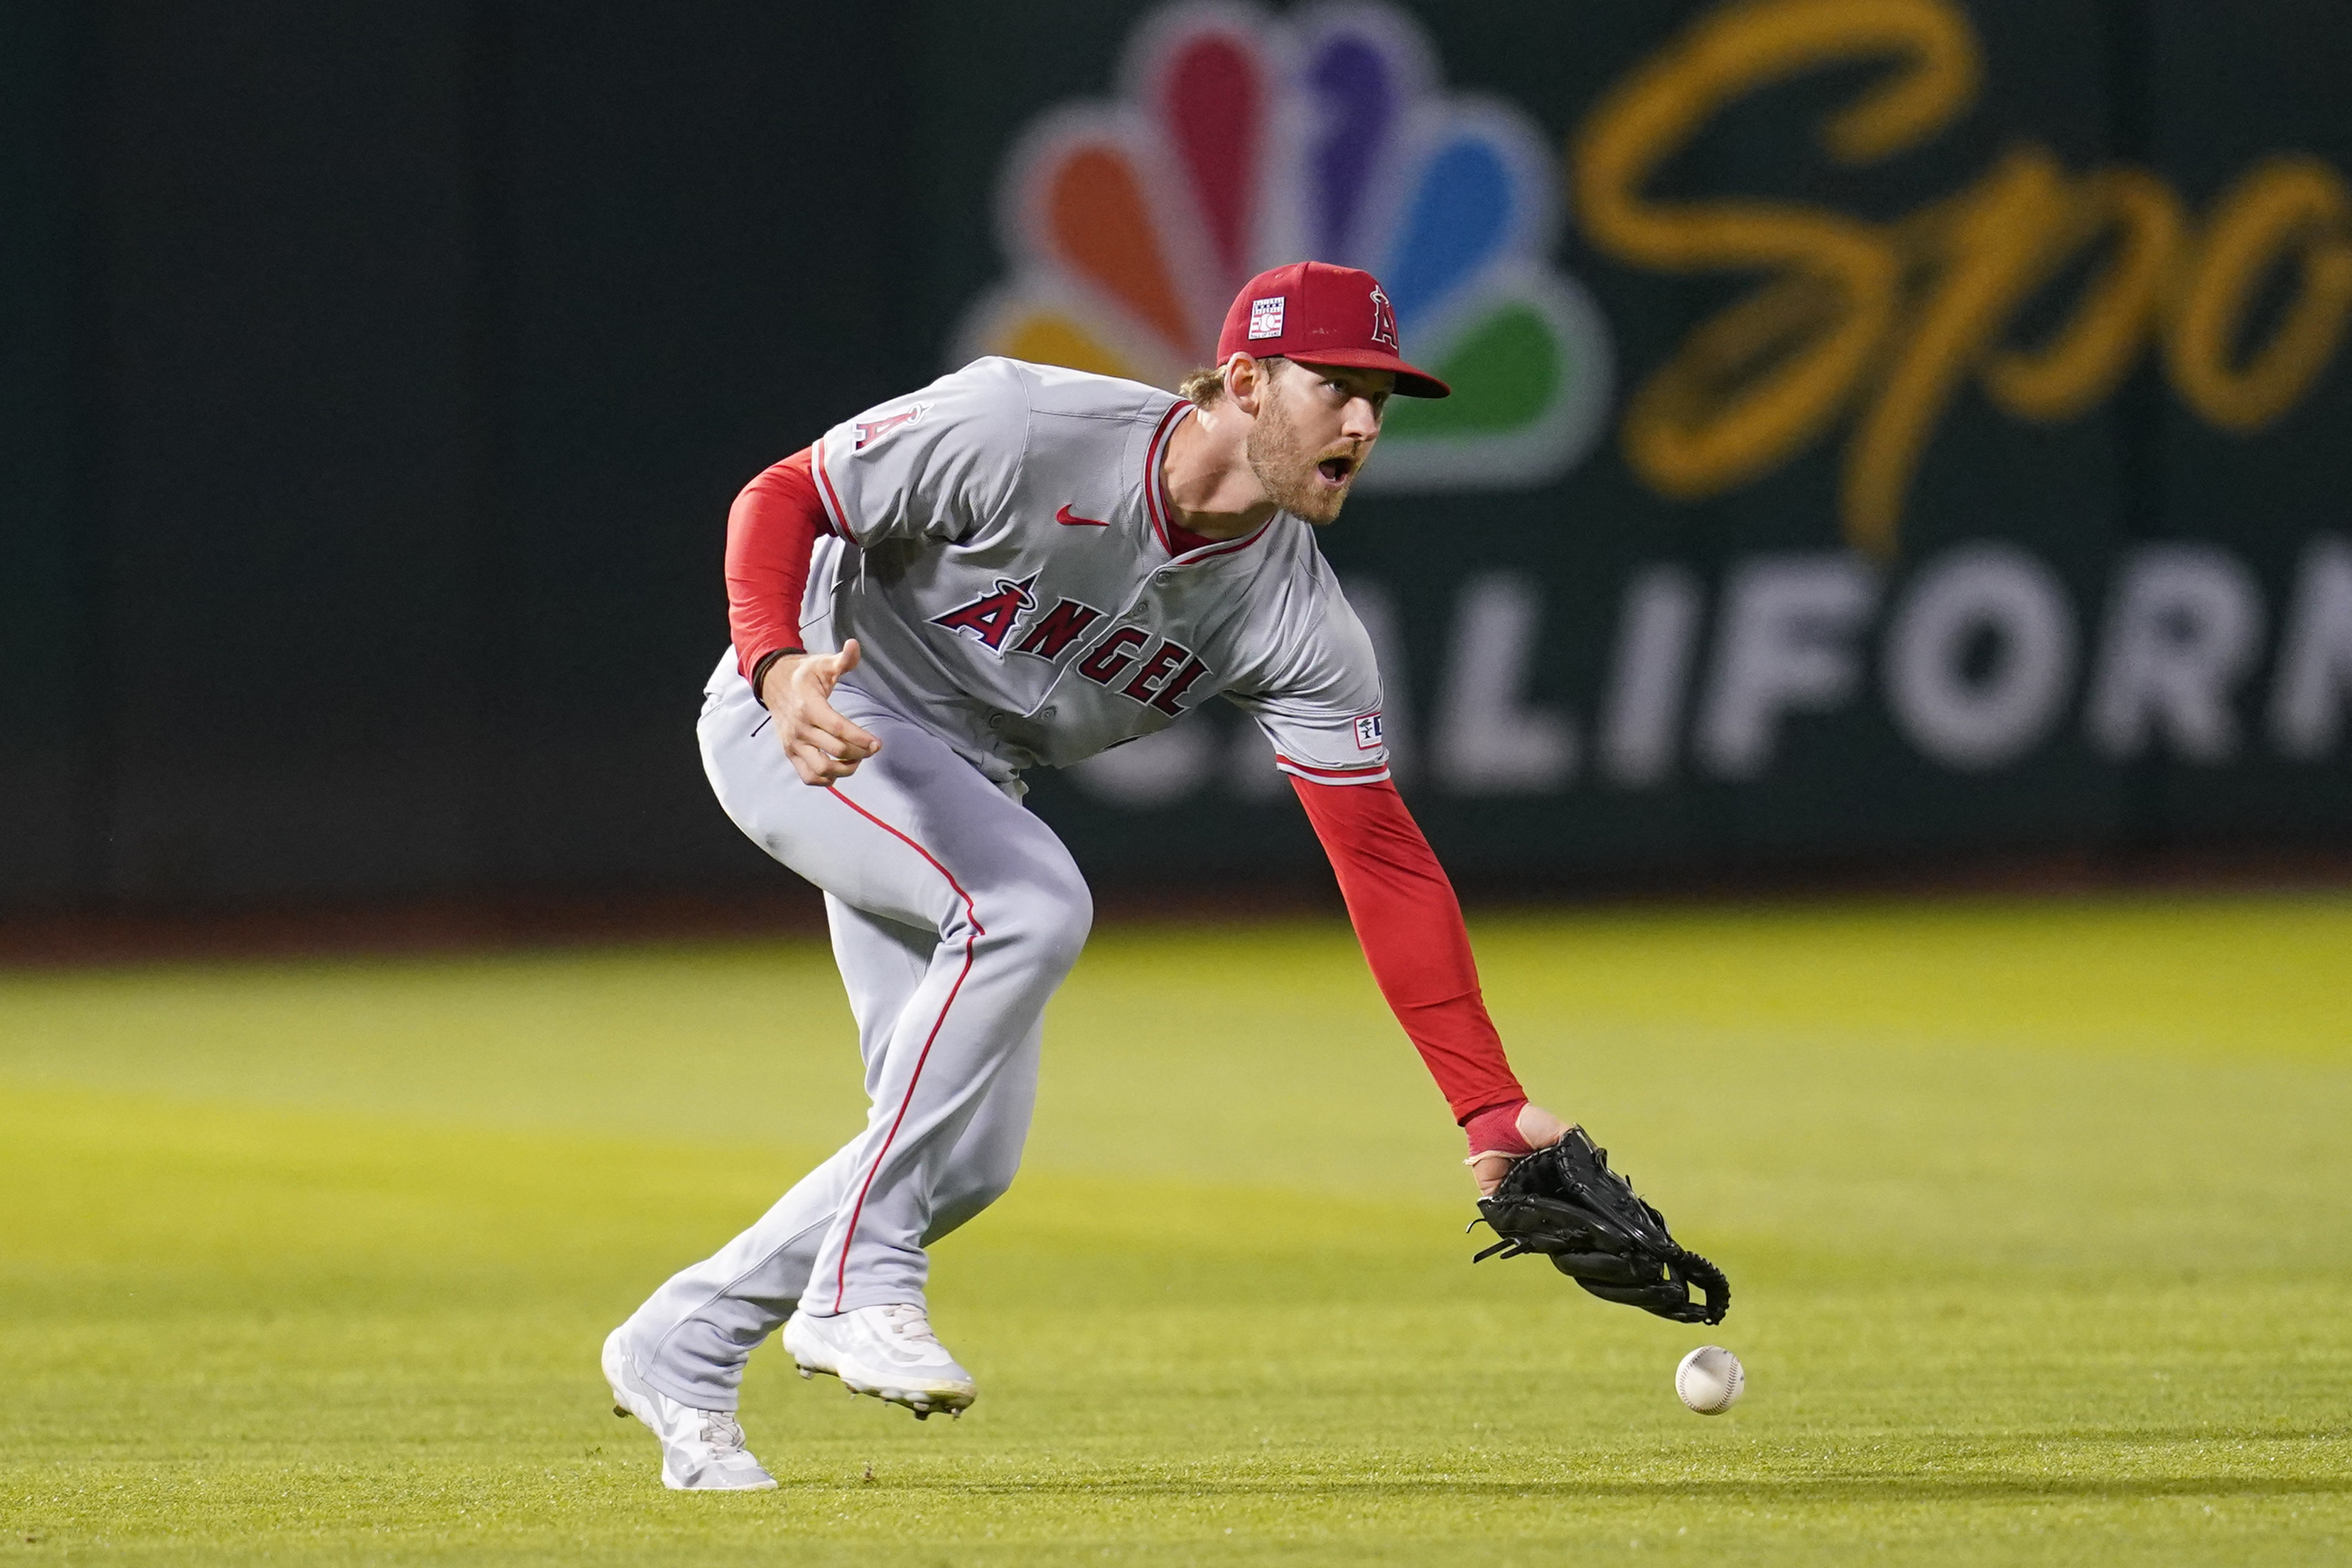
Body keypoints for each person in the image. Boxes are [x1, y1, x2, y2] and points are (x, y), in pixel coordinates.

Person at [602, 261, 1570, 1491]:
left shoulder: (1295, 620)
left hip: (961, 790)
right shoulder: (1024, 426)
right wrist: (777, 662)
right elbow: (785, 495)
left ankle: (684, 1342)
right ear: (1243, 381)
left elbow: (1380, 857)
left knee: (967, 1163)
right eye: (1337, 388)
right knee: (1028, 904)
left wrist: (1484, 1103)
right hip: (809, 714)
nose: (1366, 425)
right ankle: (858, 1281)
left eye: (1384, 398)